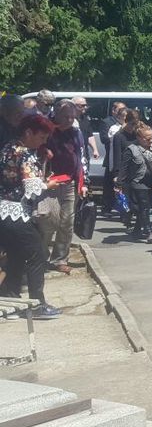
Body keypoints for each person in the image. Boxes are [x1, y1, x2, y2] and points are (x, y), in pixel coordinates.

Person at [0, 113, 62, 319]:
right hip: (16, 212)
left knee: (16, 255)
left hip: (3, 211)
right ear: (28, 132)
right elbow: (33, 188)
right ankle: (36, 304)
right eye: (42, 137)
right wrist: (48, 184)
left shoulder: (8, 148)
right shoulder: (25, 154)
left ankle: (13, 301)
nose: (43, 142)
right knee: (38, 253)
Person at [39, 100, 86, 273]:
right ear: (56, 114)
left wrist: (83, 182)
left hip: (70, 182)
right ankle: (40, 257)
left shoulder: (76, 132)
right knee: (47, 221)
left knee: (67, 222)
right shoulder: (46, 129)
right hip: (49, 183)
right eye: (66, 116)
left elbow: (81, 158)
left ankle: (59, 259)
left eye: (73, 117)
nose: (70, 120)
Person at [122, 124, 152, 243]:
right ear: (139, 138)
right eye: (147, 138)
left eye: (151, 138)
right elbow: (124, 167)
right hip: (138, 182)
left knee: (147, 206)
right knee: (144, 206)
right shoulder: (131, 149)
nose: (150, 140)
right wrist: (119, 182)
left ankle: (137, 230)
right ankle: (148, 231)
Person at [100, 101, 126, 215]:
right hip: (111, 157)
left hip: (124, 158)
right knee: (109, 185)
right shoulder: (108, 122)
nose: (122, 112)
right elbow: (104, 138)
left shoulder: (128, 123)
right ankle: (106, 208)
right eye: (120, 110)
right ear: (114, 111)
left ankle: (122, 207)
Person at [72, 97, 100, 163]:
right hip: (72, 154)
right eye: (82, 105)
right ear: (74, 106)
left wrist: (95, 150)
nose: (85, 107)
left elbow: (90, 136)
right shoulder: (68, 119)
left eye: (86, 105)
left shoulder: (85, 119)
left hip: (84, 155)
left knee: (85, 172)